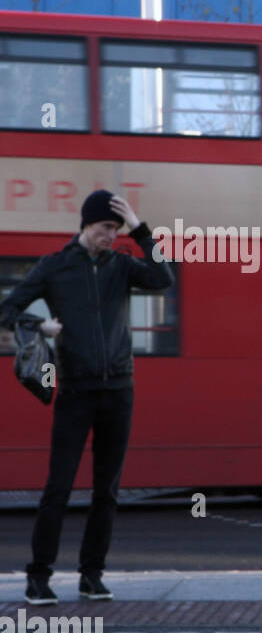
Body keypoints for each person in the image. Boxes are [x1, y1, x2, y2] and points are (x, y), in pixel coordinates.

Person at [0, 190, 174, 604]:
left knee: (106, 491)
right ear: (85, 226)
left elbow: (163, 278)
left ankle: (91, 575)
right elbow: (6, 310)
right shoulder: (55, 267)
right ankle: (38, 577)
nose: (110, 237)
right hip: (76, 392)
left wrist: (140, 227)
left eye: (116, 229)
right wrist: (38, 325)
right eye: (104, 229)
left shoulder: (121, 266)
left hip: (118, 390)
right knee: (58, 488)